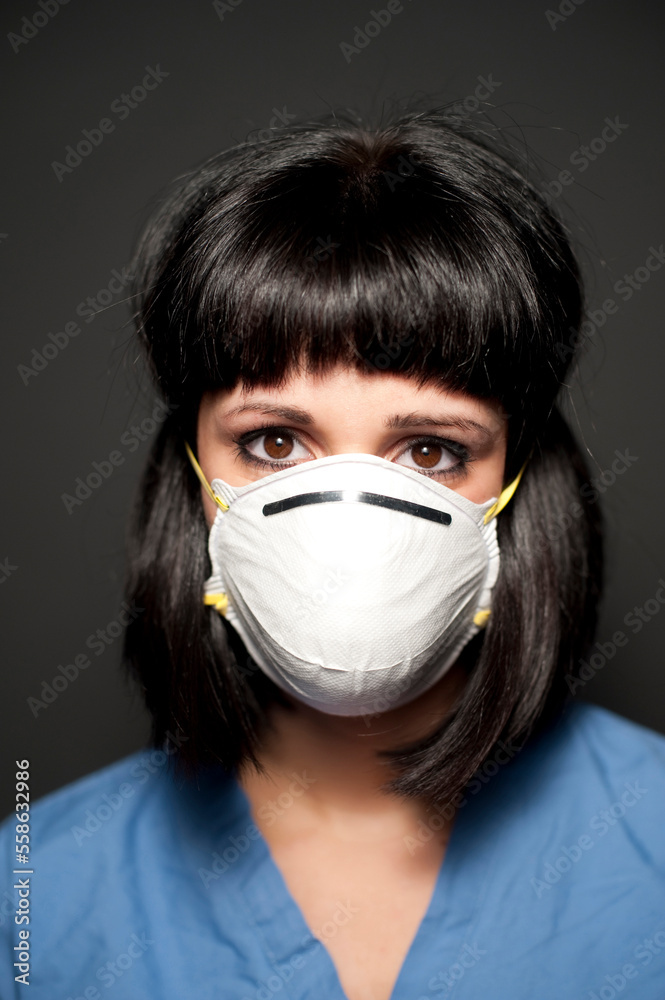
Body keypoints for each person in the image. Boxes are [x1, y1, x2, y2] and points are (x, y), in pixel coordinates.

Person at [1, 106, 664, 1000]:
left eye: (430, 451)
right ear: (195, 471)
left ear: (513, 483)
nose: (350, 516)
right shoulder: (35, 901)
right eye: (275, 443)